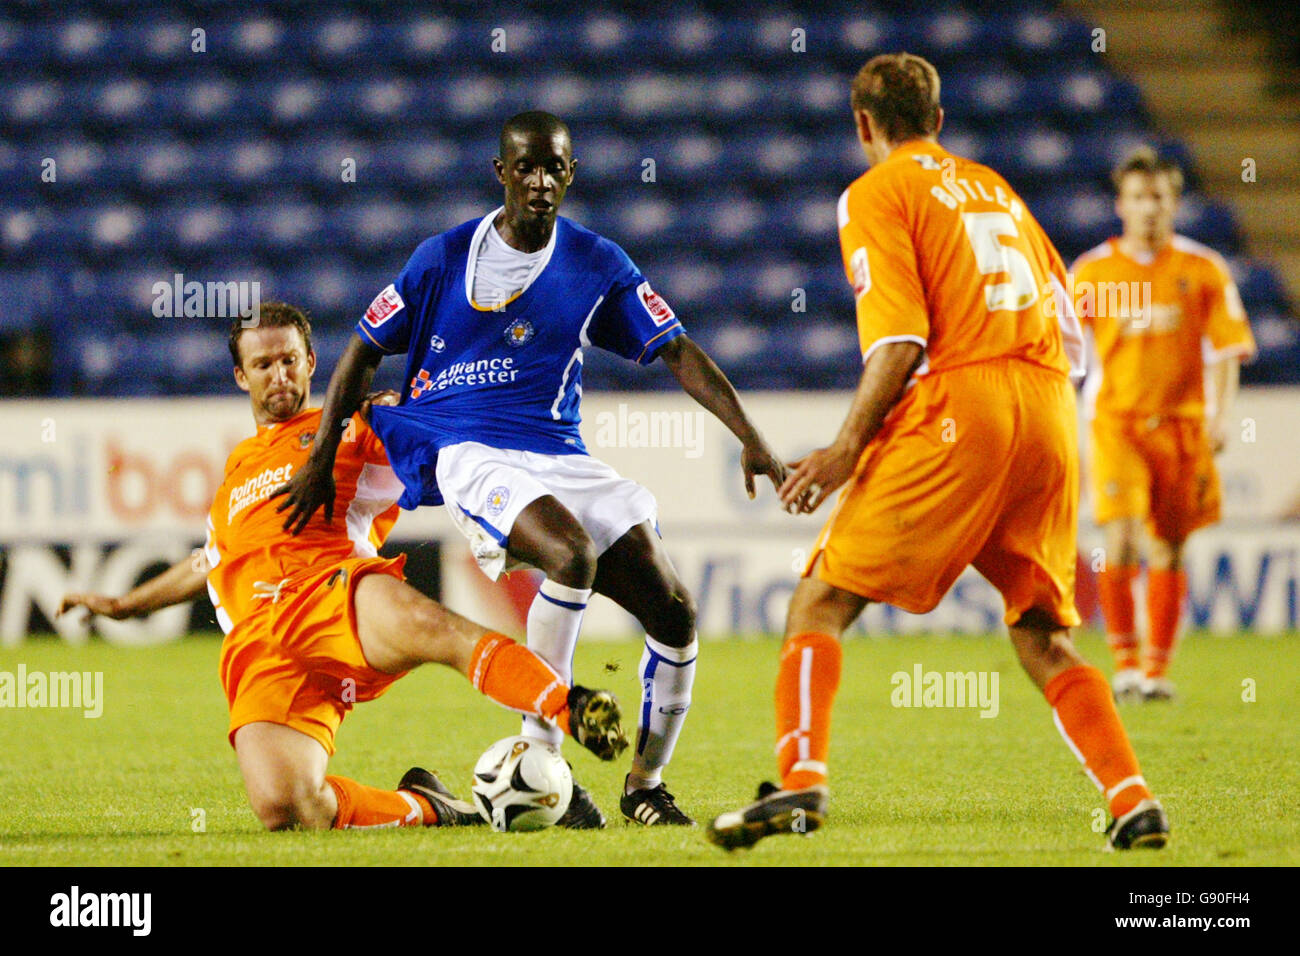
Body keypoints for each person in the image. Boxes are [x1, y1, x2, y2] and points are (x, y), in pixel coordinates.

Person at [706, 53, 1168, 852]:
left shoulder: (875, 192)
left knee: (819, 600)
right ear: (939, 121)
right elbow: (1074, 340)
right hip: (1052, 405)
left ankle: (801, 783)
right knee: (1040, 632)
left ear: (862, 125)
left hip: (967, 401)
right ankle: (1132, 800)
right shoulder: (998, 189)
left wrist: (849, 447)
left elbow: (900, 336)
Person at [274, 111, 786, 828]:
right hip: (463, 443)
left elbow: (677, 349)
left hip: (556, 452)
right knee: (569, 553)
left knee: (675, 609)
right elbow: (361, 349)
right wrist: (321, 458)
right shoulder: (441, 257)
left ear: (570, 174)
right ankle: (546, 757)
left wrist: (751, 436)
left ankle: (645, 785)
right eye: (527, 167)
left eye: (555, 168)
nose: (541, 181)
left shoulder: (597, 262)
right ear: (502, 173)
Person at [59, 302, 627, 831]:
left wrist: (405, 411)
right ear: (241, 376)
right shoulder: (236, 468)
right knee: (288, 807)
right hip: (261, 644)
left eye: (288, 360)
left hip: (334, 594)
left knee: (437, 628)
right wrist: (120, 604)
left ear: (310, 363)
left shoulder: (351, 429)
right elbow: (206, 562)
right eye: (263, 364)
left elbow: (446, 453)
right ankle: (431, 808)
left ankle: (566, 711)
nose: (278, 374)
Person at [1073, 148, 1256, 702]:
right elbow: (1061, 354)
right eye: (1137, 197)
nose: (1148, 208)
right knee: (1122, 536)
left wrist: (1222, 416)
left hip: (1181, 426)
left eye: (1159, 197)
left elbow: (1226, 350)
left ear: (1174, 203)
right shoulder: (1092, 272)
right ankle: (1126, 665)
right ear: (1120, 205)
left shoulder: (1202, 269)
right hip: (1117, 422)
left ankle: (1156, 672)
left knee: (1170, 548)